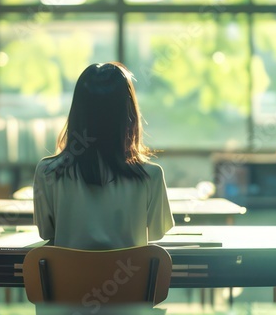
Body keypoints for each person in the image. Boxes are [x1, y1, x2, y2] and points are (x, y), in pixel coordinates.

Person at [33, 62, 174, 250]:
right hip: (129, 278)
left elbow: (46, 233)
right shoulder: (151, 176)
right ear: (128, 114)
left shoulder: (47, 172)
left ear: (77, 112)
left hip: (68, 279)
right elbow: (157, 234)